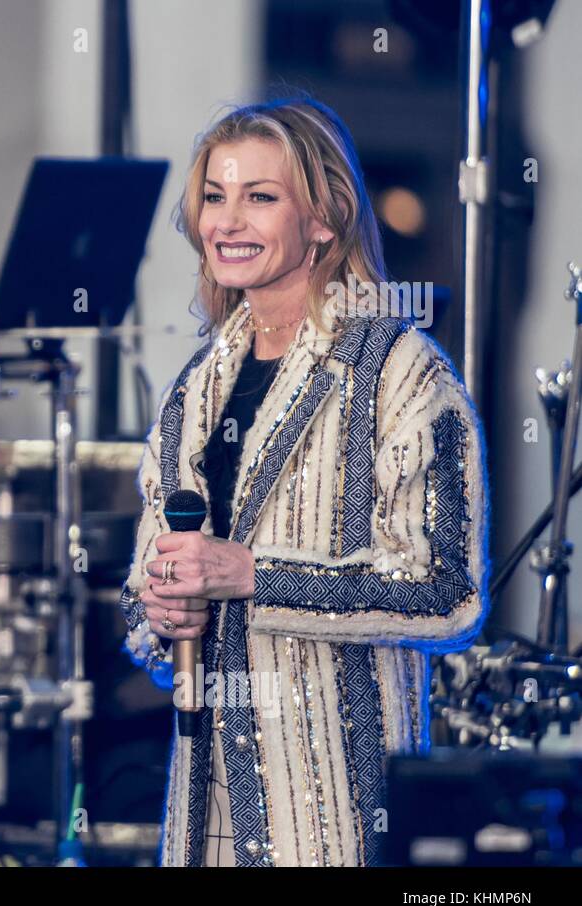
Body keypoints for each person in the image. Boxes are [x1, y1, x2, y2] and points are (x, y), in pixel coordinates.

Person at [120, 97, 491, 867]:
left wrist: (251, 575)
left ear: (323, 219)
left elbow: (447, 593)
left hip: (333, 818)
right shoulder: (195, 388)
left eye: (261, 197)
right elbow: (144, 596)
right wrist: (157, 607)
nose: (228, 221)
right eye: (215, 198)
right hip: (205, 811)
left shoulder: (399, 370)